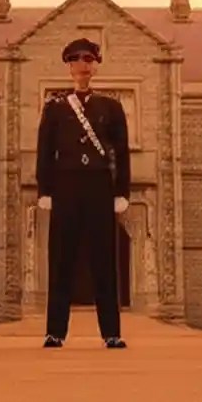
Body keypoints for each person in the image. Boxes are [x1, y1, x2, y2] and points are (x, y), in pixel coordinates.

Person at [36, 38, 131, 349]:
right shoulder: (55, 108)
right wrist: (45, 189)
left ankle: (111, 332)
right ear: (69, 66)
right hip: (66, 185)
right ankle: (55, 331)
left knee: (104, 261)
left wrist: (121, 191)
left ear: (95, 65)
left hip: (99, 185)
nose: (82, 65)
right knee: (61, 260)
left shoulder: (111, 107)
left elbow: (121, 152)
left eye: (88, 59)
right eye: (76, 60)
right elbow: (45, 151)